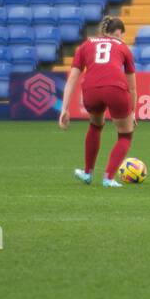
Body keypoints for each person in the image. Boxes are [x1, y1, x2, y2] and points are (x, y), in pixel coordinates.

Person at [59, 15, 137, 188]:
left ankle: (87, 173)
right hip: (115, 88)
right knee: (125, 134)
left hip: (90, 89)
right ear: (118, 32)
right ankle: (108, 178)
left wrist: (64, 108)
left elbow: (72, 78)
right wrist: (132, 112)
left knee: (95, 125)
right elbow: (132, 87)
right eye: (121, 34)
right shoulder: (123, 47)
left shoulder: (85, 45)